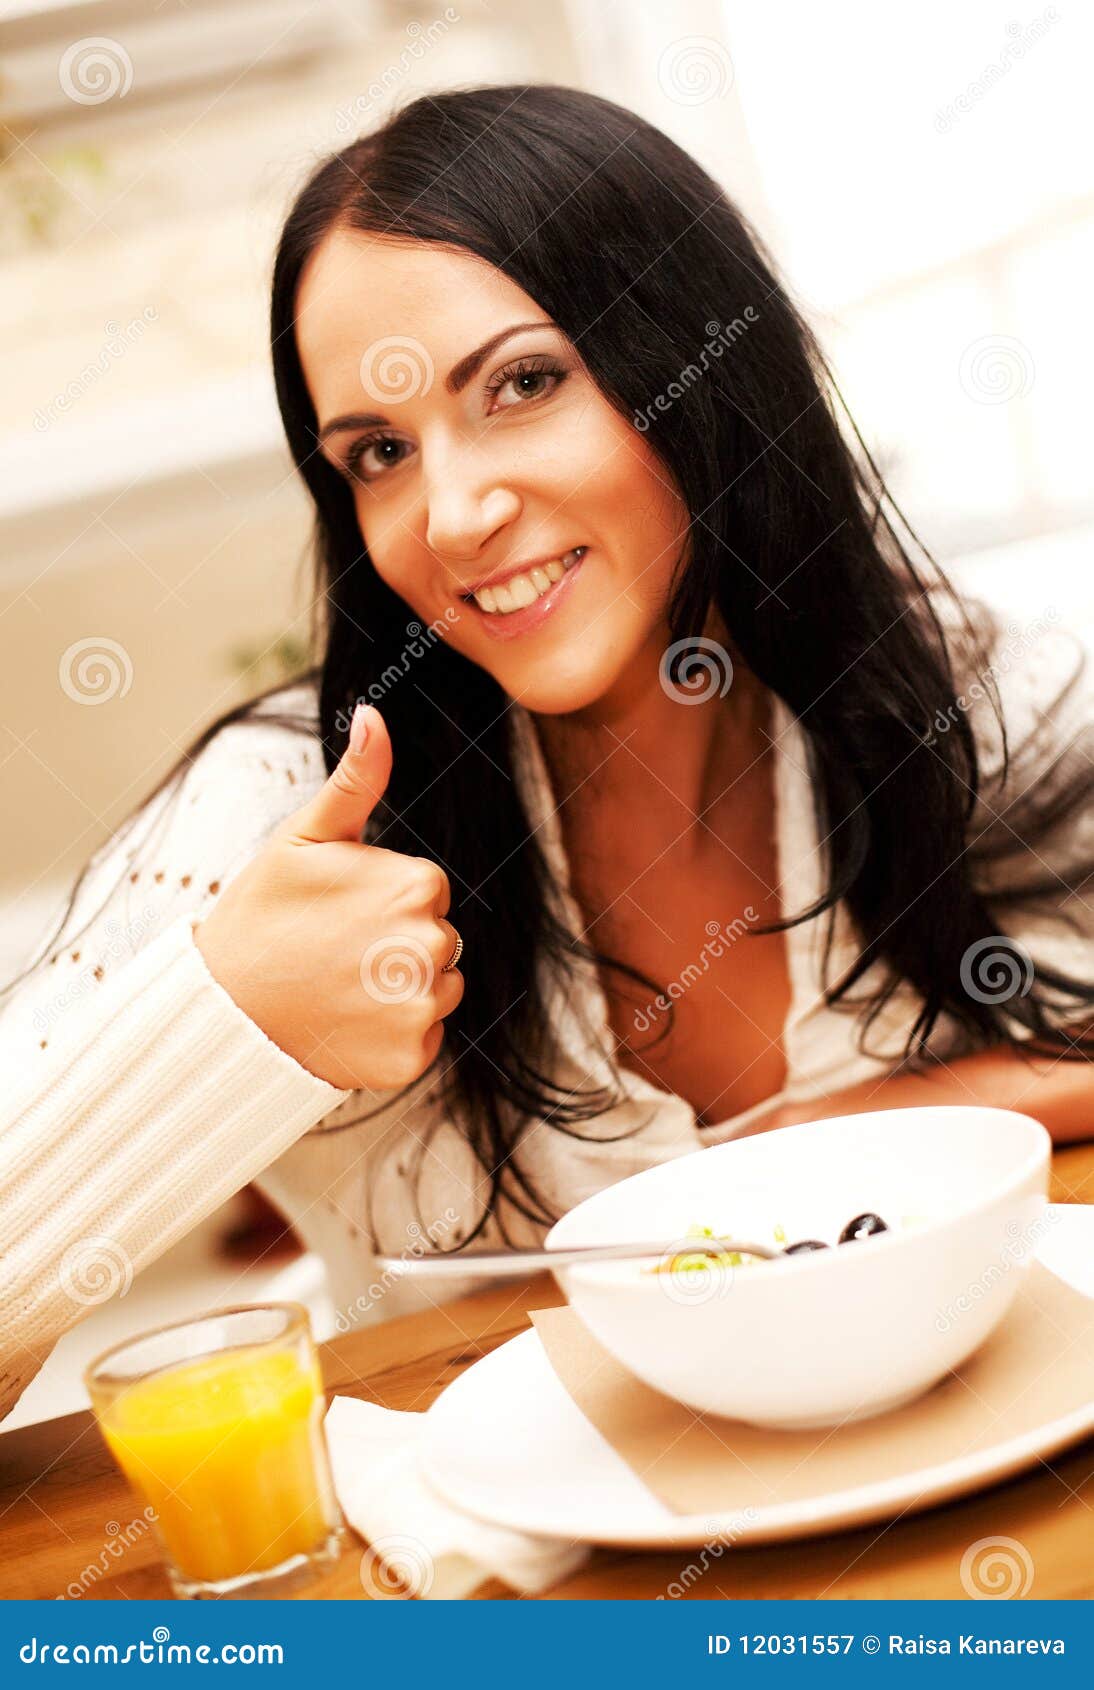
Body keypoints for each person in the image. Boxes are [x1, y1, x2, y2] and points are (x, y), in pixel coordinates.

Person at [2, 84, 1091, 1425]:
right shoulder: (293, 820)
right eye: (377, 452)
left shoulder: (977, 703)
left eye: (522, 384)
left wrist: (916, 1105)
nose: (450, 515)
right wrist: (229, 1021)